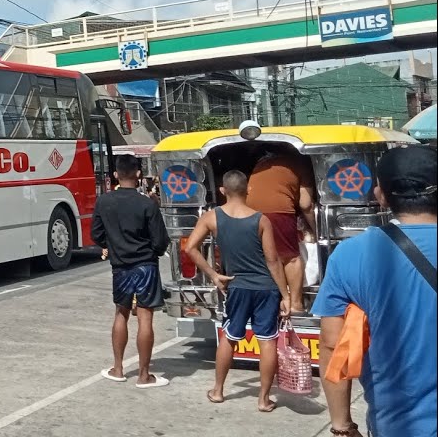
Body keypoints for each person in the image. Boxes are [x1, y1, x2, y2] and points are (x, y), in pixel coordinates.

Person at [313, 145, 437, 437]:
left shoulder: (350, 255)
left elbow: (332, 346)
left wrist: (342, 425)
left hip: (398, 426)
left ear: (380, 195)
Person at [182, 170, 290, 411]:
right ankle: (263, 399)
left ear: (223, 191)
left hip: (237, 286)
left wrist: (213, 275)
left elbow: (190, 248)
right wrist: (285, 295)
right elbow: (273, 261)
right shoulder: (261, 220)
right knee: (267, 342)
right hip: (266, 288)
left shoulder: (212, 217)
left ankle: (218, 391)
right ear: (248, 190)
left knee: (229, 337)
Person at [91, 154, 172, 387]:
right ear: (138, 174)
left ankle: (118, 369)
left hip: (120, 266)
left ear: (116, 174)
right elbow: (160, 241)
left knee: (121, 313)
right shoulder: (147, 203)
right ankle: (144, 375)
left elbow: (96, 234)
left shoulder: (104, 202)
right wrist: (151, 251)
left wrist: (112, 245)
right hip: (146, 265)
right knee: (145, 318)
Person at [247, 151, 318, 313]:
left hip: (250, 213)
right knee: (290, 258)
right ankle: (295, 304)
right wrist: (315, 228)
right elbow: (306, 204)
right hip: (278, 211)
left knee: (267, 257)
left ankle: (273, 301)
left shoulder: (262, 162)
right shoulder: (301, 163)